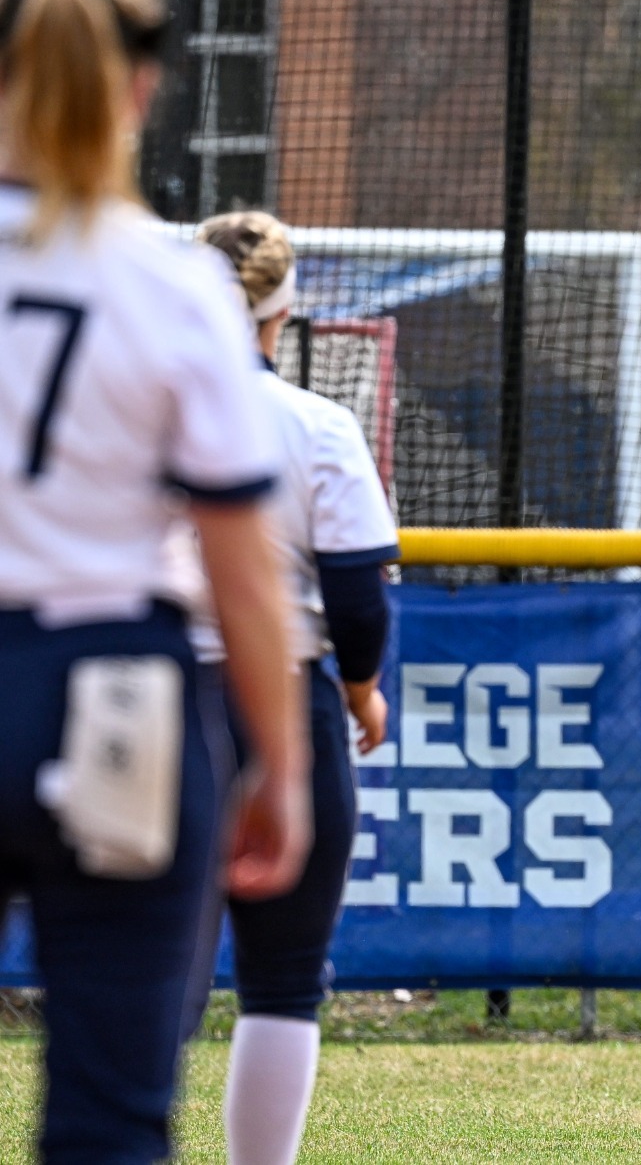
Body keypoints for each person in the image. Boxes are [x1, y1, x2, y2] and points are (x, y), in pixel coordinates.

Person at [0, 0, 310, 1159]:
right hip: (116, 683)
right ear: (142, 89)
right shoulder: (173, 283)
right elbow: (242, 568)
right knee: (112, 1119)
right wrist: (279, 765)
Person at [184, 210, 397, 1165]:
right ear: (284, 307)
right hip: (285, 698)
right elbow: (356, 596)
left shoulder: (139, 410)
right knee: (283, 978)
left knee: (141, 964)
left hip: (150, 691)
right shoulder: (315, 423)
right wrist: (361, 691)